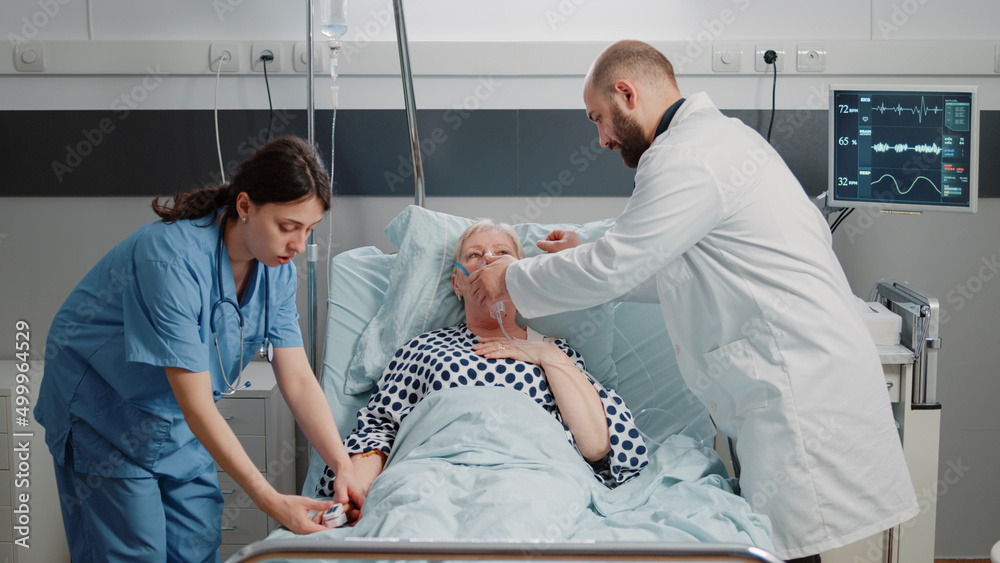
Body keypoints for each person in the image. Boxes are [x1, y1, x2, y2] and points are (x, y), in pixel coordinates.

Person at [467, 40, 919, 561]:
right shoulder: (719, 142)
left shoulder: (685, 156)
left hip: (800, 389)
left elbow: (615, 267)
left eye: (598, 119)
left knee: (796, 551)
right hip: (785, 384)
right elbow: (672, 273)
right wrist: (584, 251)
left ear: (626, 93)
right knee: (788, 547)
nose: (600, 139)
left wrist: (512, 277)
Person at [35, 136, 366, 562]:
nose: (299, 246)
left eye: (309, 230)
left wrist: (342, 465)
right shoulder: (170, 259)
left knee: (196, 543)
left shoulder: (275, 270)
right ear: (245, 206)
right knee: (134, 552)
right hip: (105, 413)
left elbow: (298, 378)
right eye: (288, 227)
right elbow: (196, 404)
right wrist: (271, 501)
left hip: (173, 418)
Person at [315, 219, 648, 503]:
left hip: (532, 479)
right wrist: (355, 494)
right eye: (474, 255)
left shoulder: (557, 353)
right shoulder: (422, 349)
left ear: (526, 273)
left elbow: (595, 445)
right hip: (428, 479)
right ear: (457, 283)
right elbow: (378, 432)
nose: (489, 259)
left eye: (503, 254)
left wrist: (545, 354)